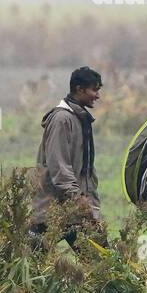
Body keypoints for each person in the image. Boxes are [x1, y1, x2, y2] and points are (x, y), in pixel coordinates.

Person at [30, 66, 104, 250]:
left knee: (103, 264)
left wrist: (89, 203)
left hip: (76, 211)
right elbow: (59, 166)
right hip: (53, 209)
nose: (97, 96)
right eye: (94, 90)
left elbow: (85, 171)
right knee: (29, 265)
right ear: (79, 89)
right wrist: (78, 198)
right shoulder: (62, 120)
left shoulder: (80, 118)